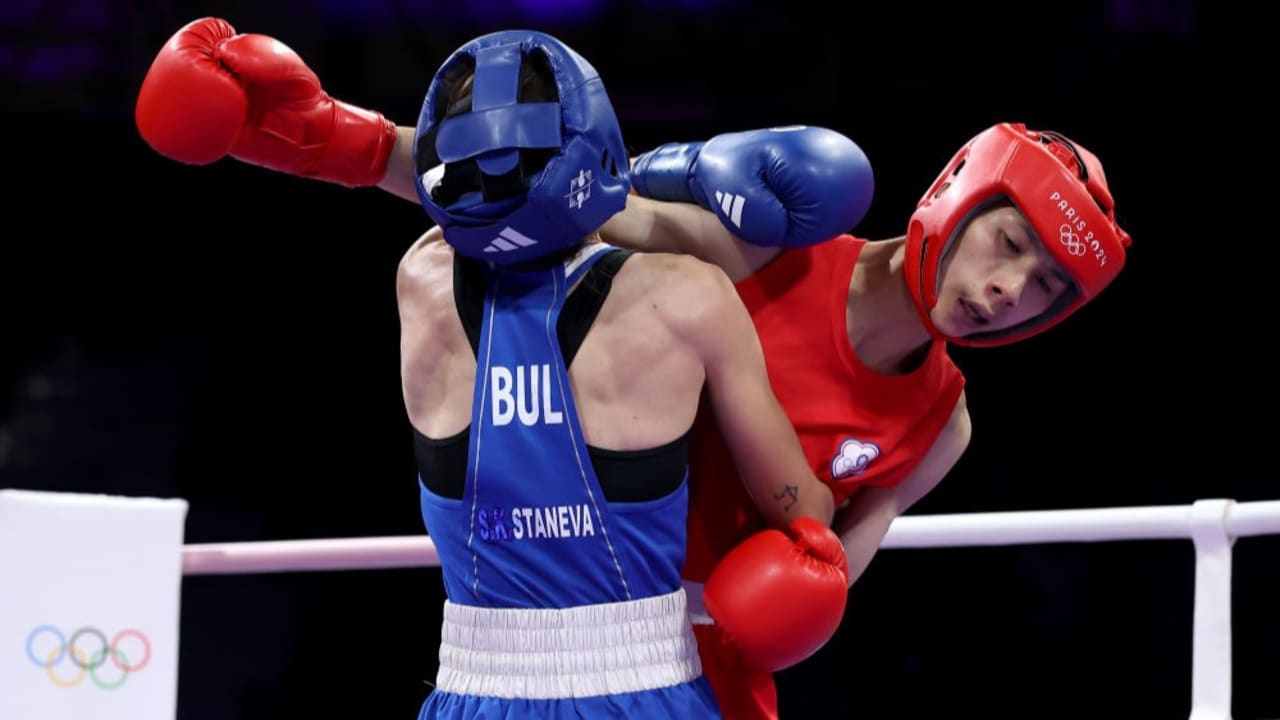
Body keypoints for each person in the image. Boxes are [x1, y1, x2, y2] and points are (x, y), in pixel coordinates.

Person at [134, 18, 1134, 719]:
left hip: (704, 674)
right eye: (1008, 245)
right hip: (544, 611)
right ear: (960, 197)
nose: (1008, 289)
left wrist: (797, 593)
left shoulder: (940, 423)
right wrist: (316, 138)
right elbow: (526, 183)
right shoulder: (761, 248)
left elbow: (831, 565)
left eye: (1047, 286)